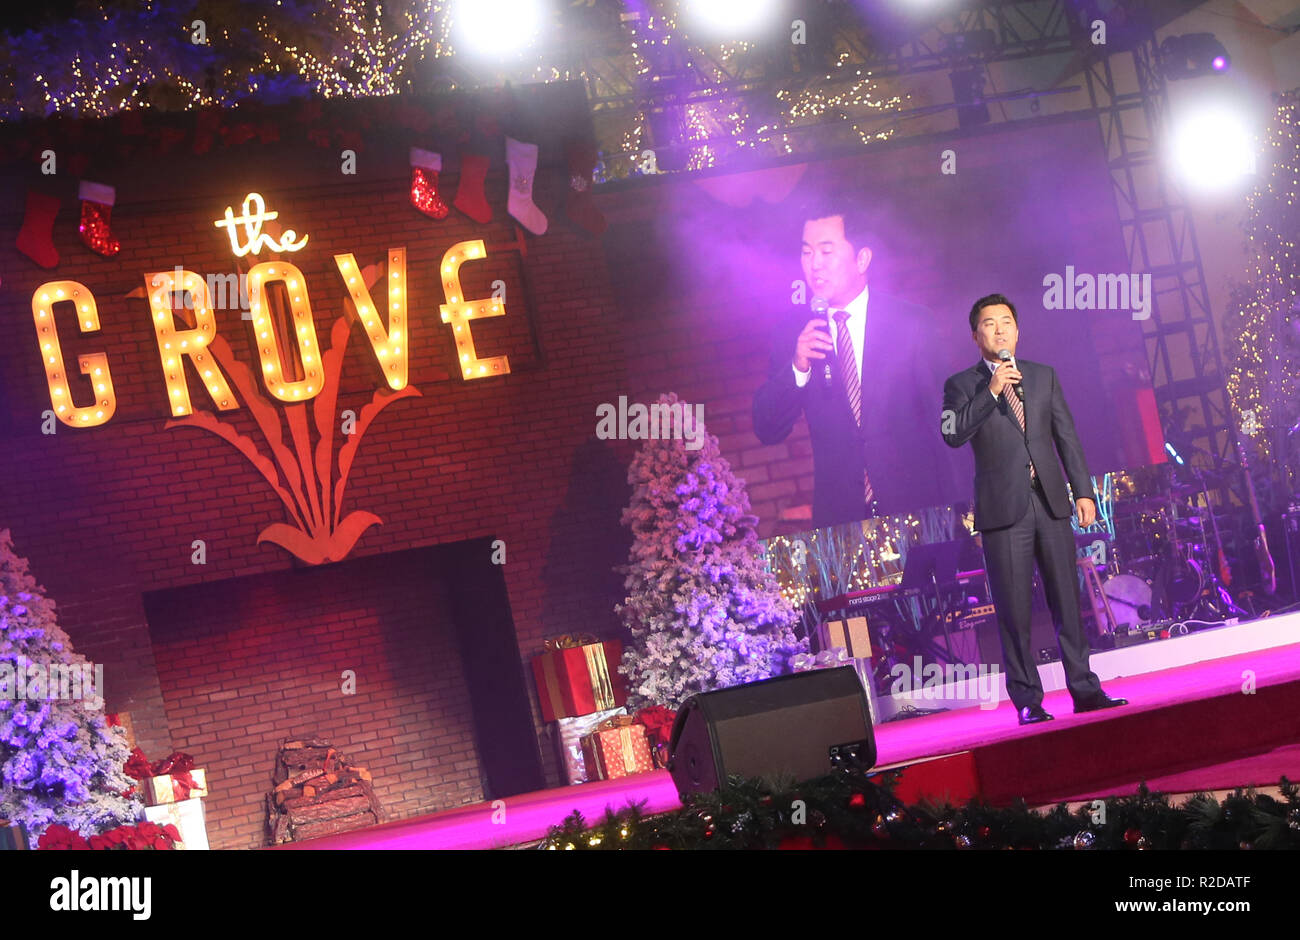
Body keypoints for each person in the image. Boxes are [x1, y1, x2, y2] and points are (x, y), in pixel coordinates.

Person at [941, 293, 1128, 726]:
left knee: (1068, 599)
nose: (1000, 329)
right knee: (1015, 612)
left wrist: (1083, 492)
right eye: (989, 323)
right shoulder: (962, 385)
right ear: (976, 335)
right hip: (1003, 511)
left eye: (1006, 321)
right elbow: (952, 434)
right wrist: (991, 391)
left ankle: (1085, 688)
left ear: (1017, 330)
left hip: (1050, 502)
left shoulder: (1043, 376)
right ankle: (1027, 700)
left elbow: (1066, 435)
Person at [752, 198, 951, 528]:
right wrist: (798, 366)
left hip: (920, 510)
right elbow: (767, 428)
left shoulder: (911, 323)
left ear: (861, 259)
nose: (814, 264)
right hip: (842, 521)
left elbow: (945, 424)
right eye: (806, 252)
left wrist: (961, 512)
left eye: (826, 251)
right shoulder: (792, 333)